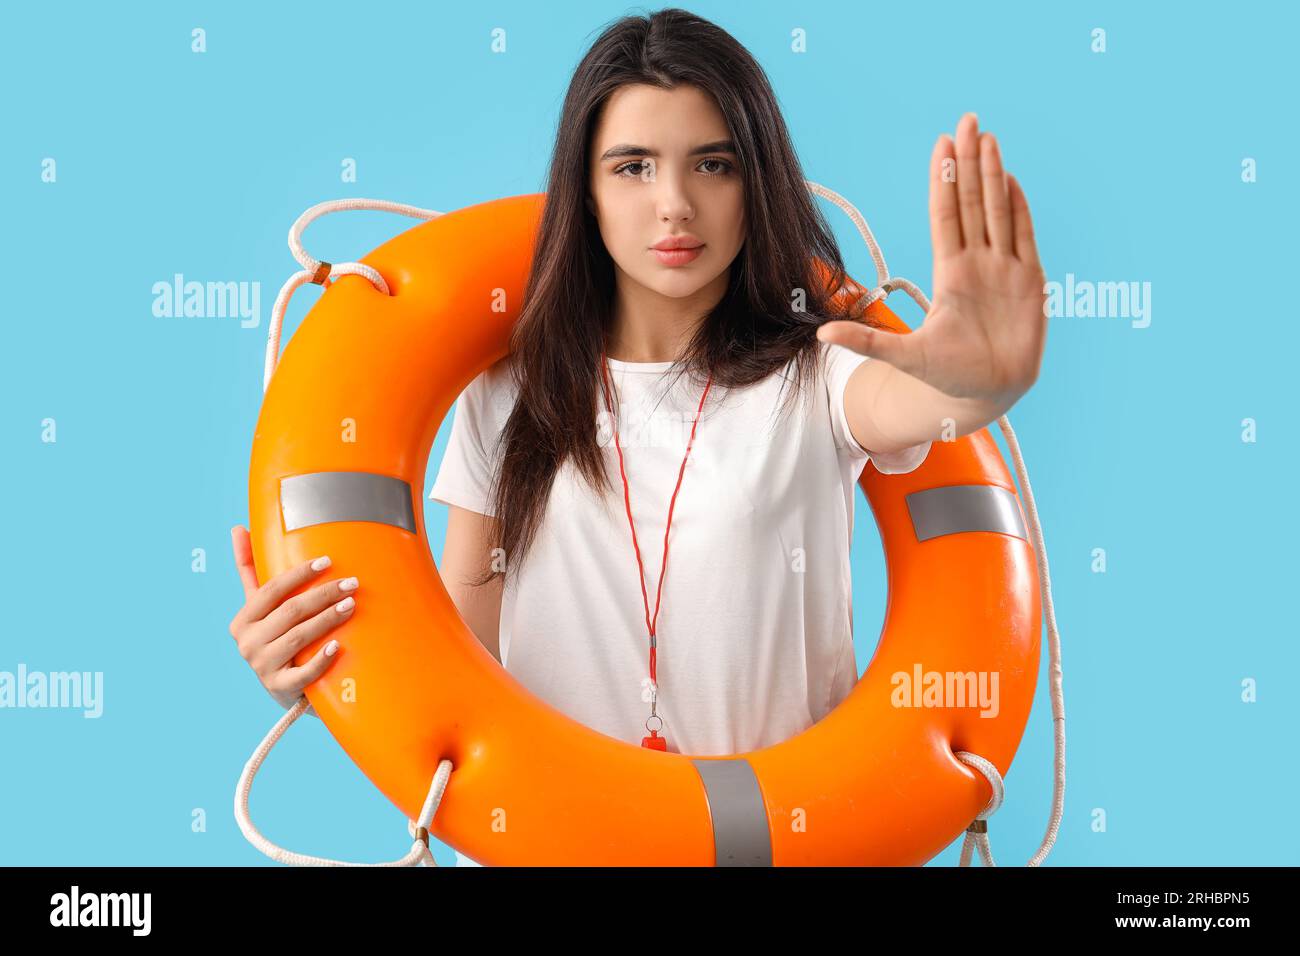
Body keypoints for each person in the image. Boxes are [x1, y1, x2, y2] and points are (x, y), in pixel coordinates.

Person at [228, 8, 1047, 868]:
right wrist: (329, 669)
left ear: (755, 184)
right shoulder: (504, 395)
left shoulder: (823, 373)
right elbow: (456, 665)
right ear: (584, 190)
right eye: (634, 166)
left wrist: (981, 378)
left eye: (714, 164)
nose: (675, 204)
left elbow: (915, 400)